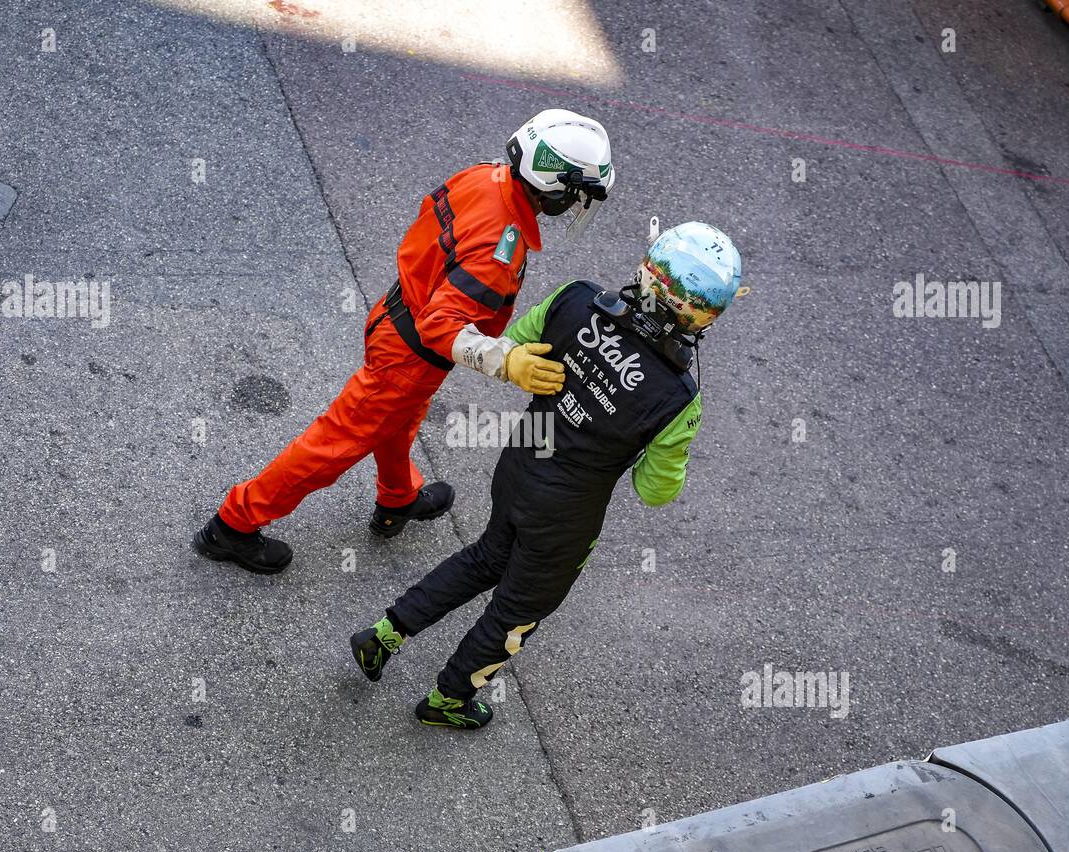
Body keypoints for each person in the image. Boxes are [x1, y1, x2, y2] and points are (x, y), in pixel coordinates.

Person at [349, 222, 748, 729]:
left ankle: (385, 634)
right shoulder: (677, 399)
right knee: (517, 610)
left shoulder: (576, 299)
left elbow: (514, 343)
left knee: (485, 557)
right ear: (703, 315)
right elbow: (654, 491)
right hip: (565, 515)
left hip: (521, 463)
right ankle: (449, 700)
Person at [192, 109, 615, 573]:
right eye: (577, 194)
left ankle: (398, 499)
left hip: (396, 316)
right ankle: (232, 526)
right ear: (553, 186)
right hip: (410, 354)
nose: (576, 205)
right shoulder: (501, 249)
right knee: (333, 446)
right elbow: (441, 326)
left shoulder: (485, 176)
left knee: (400, 420)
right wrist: (507, 360)